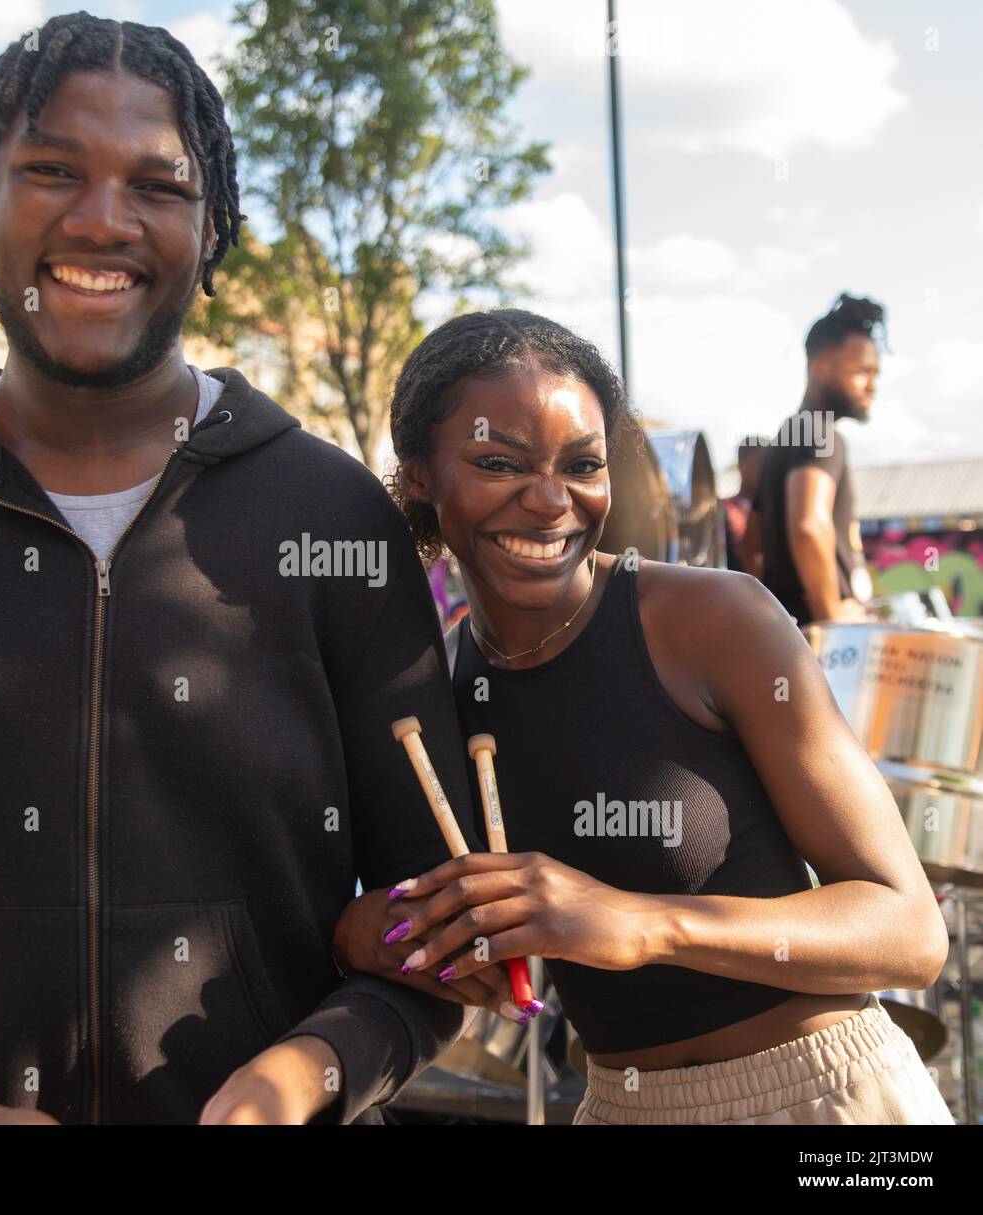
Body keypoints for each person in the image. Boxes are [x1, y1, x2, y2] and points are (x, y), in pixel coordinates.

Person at [0, 16, 488, 1126]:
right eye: (52, 170)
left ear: (211, 230)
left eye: (156, 185)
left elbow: (435, 926)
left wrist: (296, 1081)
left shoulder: (332, 521)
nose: (102, 220)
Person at [336, 308, 953, 1124]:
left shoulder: (712, 620)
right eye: (499, 462)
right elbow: (408, 918)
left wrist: (643, 923)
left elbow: (909, 931)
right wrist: (366, 932)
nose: (551, 501)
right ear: (419, 473)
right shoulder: (438, 686)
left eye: (582, 464)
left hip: (825, 1101)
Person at [749, 294, 884, 625]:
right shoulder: (821, 432)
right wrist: (832, 621)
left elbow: (750, 547)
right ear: (822, 367)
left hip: (790, 639)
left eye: (876, 373)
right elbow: (808, 524)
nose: (873, 385)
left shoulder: (789, 432)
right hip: (824, 647)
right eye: (863, 371)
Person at [722, 438, 767, 576]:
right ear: (742, 463)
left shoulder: (770, 510)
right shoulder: (724, 509)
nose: (767, 470)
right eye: (762, 462)